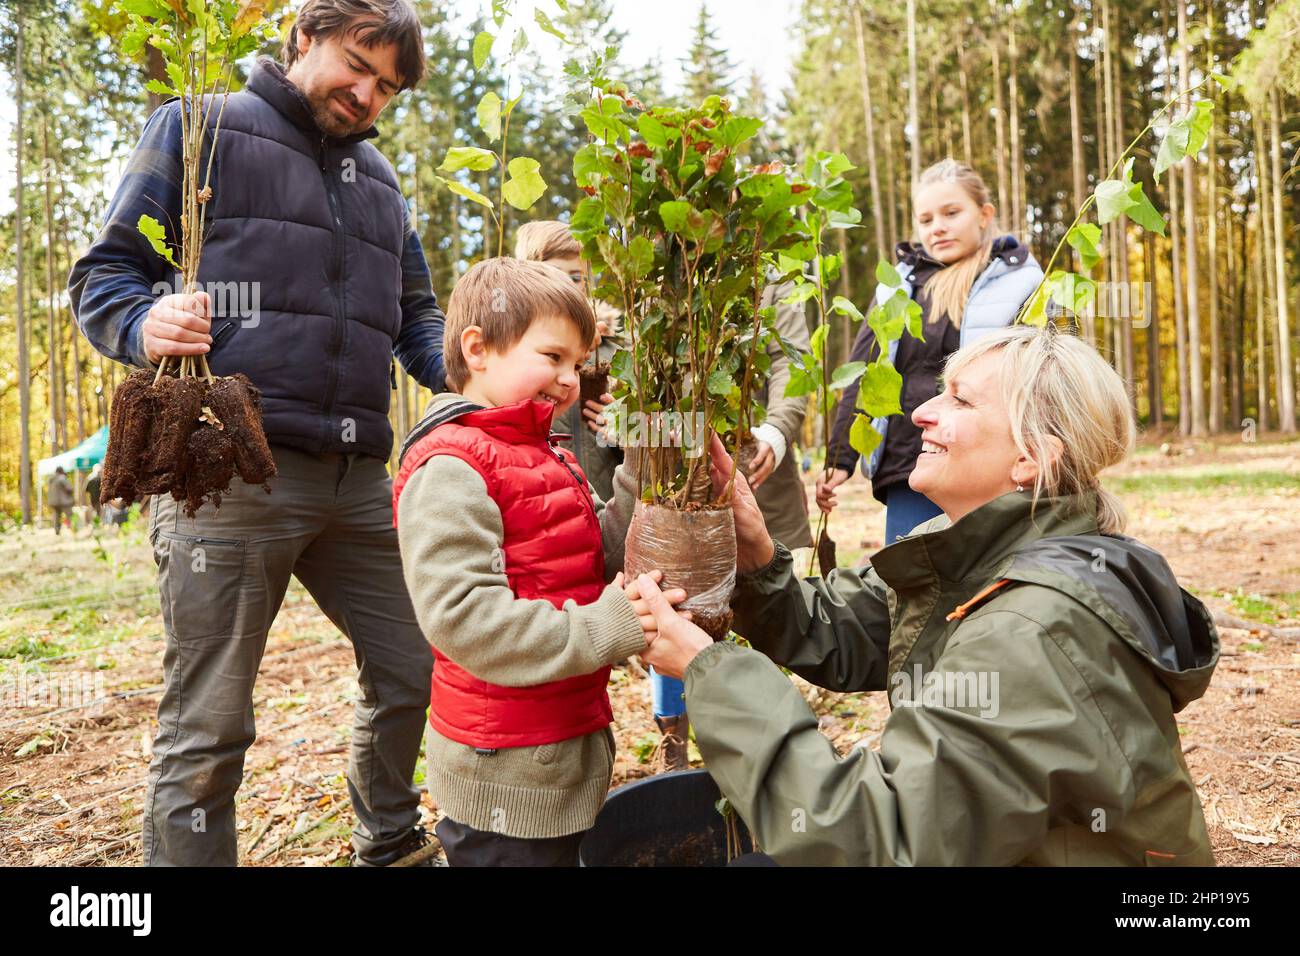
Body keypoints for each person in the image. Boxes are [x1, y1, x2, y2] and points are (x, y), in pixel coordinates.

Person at [69, 0, 446, 867]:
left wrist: (472, 367)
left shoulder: (382, 185)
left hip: (356, 480)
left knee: (414, 669)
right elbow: (104, 276)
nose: (369, 94)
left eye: (388, 86)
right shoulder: (199, 128)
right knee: (209, 726)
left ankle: (388, 841)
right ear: (304, 36)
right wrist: (144, 321)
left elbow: (416, 319)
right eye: (359, 63)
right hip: (227, 471)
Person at [631, 325, 1220, 866]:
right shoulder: (968, 552)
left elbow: (883, 837)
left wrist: (709, 671)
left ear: (1032, 456)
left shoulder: (1034, 626)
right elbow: (839, 631)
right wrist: (760, 556)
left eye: (960, 401)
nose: (921, 412)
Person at [392, 258, 676, 866]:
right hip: (504, 775)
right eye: (553, 357)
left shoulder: (544, 450)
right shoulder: (452, 469)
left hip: (556, 750)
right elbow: (464, 618)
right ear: (479, 348)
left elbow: (594, 552)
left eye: (577, 364)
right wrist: (604, 628)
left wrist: (637, 469)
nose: (571, 379)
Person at [819, 159, 1042, 546]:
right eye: (926, 219)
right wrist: (840, 457)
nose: (937, 226)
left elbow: (1046, 378)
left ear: (984, 214)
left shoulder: (1024, 282)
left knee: (986, 579)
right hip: (911, 464)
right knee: (913, 577)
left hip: (990, 468)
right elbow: (866, 372)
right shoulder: (896, 289)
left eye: (951, 213)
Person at [513, 220, 626, 500]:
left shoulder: (620, 352)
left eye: (576, 278)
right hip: (544, 504)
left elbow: (659, 435)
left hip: (612, 508)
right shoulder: (511, 353)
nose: (565, 288)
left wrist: (629, 432)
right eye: (552, 275)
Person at [48, 467, 75, 535]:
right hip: (63, 501)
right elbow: (69, 488)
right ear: (62, 471)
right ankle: (75, 529)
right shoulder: (62, 478)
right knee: (70, 515)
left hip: (54, 501)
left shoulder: (51, 479)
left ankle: (57, 531)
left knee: (57, 517)